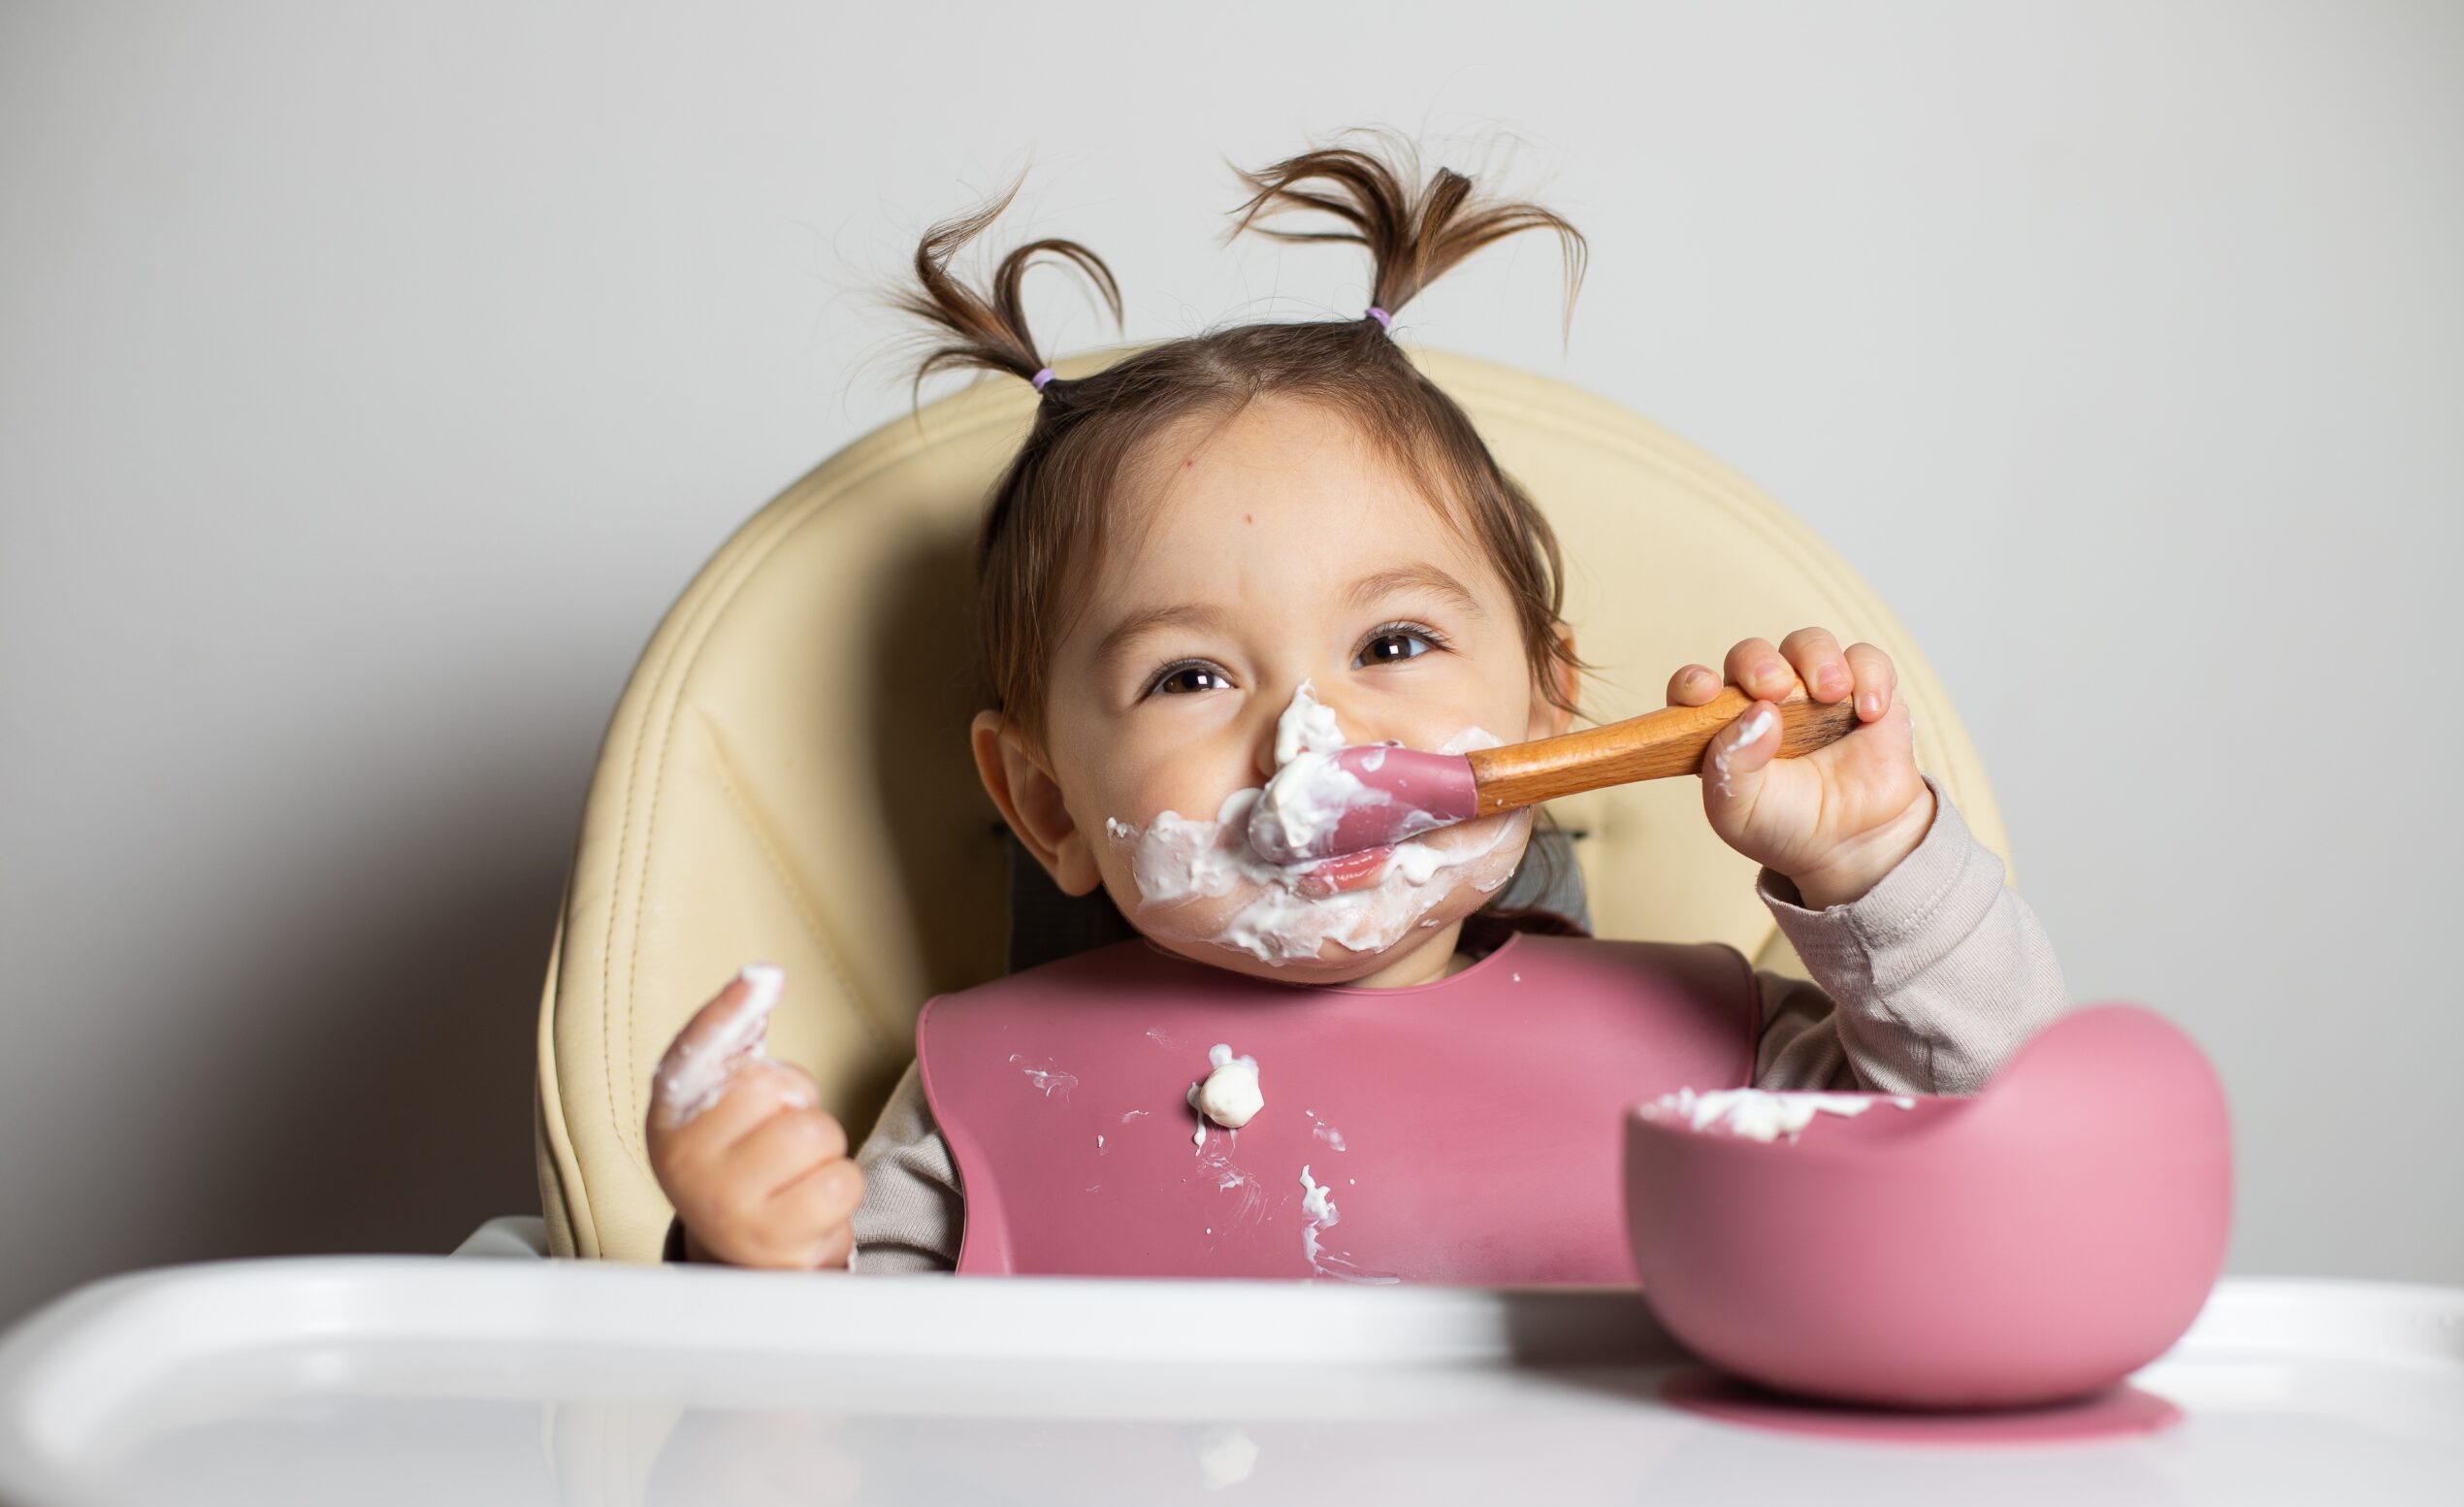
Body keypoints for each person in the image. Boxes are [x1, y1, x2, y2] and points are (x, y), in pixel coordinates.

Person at [643, 132, 2066, 1274]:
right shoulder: (976, 1107)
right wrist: (750, 1260)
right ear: (1047, 806)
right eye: (1190, 675)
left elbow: (2005, 1155)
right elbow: (832, 1456)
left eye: (1392, 643)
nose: (1308, 730)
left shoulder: (1718, 1056)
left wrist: (1873, 866)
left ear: (1550, 721)